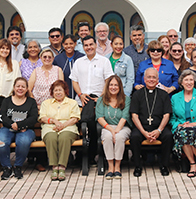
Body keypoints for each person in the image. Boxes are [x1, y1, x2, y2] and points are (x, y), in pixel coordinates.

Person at [70, 35, 115, 163]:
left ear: (95, 45)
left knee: (96, 127)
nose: (89, 47)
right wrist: (80, 94)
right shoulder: (79, 62)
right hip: (82, 101)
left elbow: (108, 80)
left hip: (99, 101)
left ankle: (94, 155)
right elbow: (74, 81)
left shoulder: (104, 61)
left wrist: (101, 97)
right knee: (83, 127)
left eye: (91, 44)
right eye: (86, 45)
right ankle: (82, 156)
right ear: (83, 47)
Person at [130, 68, 173, 177]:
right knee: (134, 137)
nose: (151, 79)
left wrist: (159, 130)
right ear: (144, 79)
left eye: (154, 77)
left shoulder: (163, 94)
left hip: (159, 127)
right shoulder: (137, 94)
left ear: (158, 80)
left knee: (168, 136)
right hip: (141, 127)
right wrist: (143, 132)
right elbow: (134, 115)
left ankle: (164, 165)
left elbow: (166, 114)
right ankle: (138, 166)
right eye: (149, 77)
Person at [0, 77, 39, 179]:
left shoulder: (31, 102)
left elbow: (33, 118)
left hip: (26, 130)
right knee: (1, 142)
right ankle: (7, 168)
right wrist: (12, 124)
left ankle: (18, 167)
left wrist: (20, 125)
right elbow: (2, 116)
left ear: (27, 89)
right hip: (8, 128)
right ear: (14, 88)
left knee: (23, 141)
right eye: (18, 86)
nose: (20, 89)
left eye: (23, 87)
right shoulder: (7, 101)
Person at [39, 80, 81, 181]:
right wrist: (53, 121)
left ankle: (62, 166)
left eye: (60, 90)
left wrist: (63, 125)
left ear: (65, 91)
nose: (58, 92)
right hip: (50, 126)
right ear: (52, 93)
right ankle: (54, 166)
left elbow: (75, 118)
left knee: (64, 137)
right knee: (51, 137)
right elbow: (42, 118)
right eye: (55, 90)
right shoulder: (46, 103)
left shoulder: (72, 103)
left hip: (68, 127)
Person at [96, 75, 131, 178]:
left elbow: (124, 117)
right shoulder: (101, 100)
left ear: (120, 87)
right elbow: (100, 118)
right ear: (107, 86)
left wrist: (117, 131)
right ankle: (110, 167)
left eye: (116, 85)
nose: (113, 87)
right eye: (111, 85)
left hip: (122, 127)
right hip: (107, 127)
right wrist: (112, 130)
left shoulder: (126, 99)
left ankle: (117, 167)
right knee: (107, 137)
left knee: (120, 137)